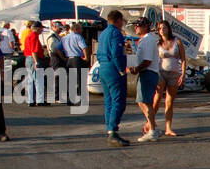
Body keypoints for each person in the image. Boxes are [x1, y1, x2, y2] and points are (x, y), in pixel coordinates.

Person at [96, 9, 130, 147]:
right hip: (113, 68)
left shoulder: (103, 34)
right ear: (118, 20)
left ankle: (110, 130)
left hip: (103, 67)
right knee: (118, 100)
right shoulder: (116, 33)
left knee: (108, 101)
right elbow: (117, 53)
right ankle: (113, 131)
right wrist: (121, 69)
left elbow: (98, 53)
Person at [129, 18, 160, 143]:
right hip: (147, 73)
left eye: (137, 26)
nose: (135, 28)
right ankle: (154, 126)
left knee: (146, 102)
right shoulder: (147, 40)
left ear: (145, 27)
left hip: (148, 72)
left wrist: (136, 69)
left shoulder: (147, 40)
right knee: (141, 101)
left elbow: (147, 61)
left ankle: (152, 130)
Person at [153, 20, 186, 137]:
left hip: (174, 73)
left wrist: (183, 74)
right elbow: (153, 59)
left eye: (164, 28)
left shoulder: (177, 41)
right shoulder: (157, 44)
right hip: (161, 72)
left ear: (168, 29)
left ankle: (168, 128)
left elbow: (183, 59)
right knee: (157, 98)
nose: (162, 30)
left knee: (169, 101)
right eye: (160, 28)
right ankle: (150, 123)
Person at [60, 21, 89, 107]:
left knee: (70, 80)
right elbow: (84, 47)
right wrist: (86, 58)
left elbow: (57, 49)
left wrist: (63, 58)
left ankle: (70, 99)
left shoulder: (64, 38)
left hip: (69, 59)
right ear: (76, 29)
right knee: (80, 80)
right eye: (81, 29)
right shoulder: (78, 37)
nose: (82, 31)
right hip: (77, 59)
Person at [22, 20, 48, 107]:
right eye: (41, 28)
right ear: (37, 28)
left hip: (29, 58)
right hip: (33, 59)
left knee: (31, 80)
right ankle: (39, 100)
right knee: (38, 79)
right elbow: (34, 50)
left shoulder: (29, 36)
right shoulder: (34, 36)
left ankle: (31, 100)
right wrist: (36, 61)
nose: (42, 30)